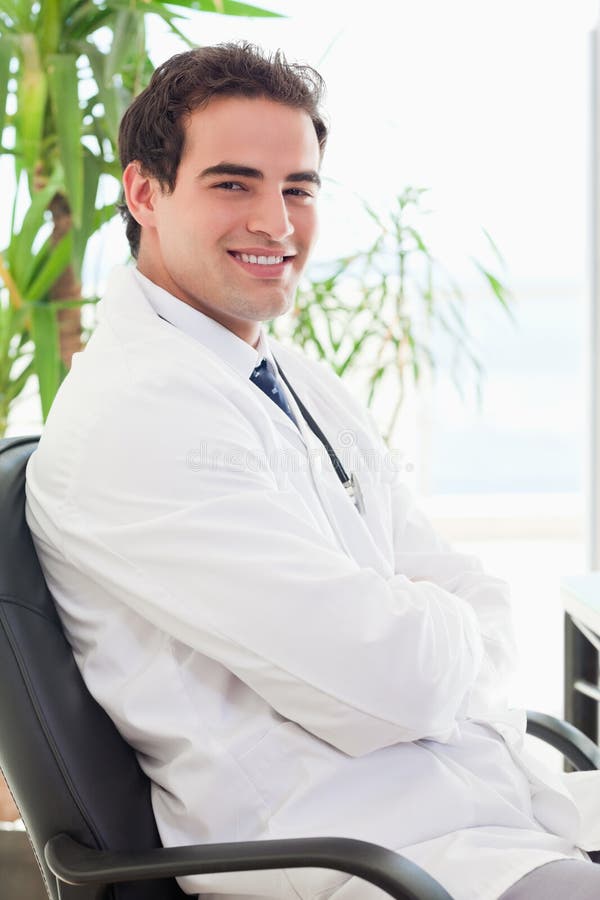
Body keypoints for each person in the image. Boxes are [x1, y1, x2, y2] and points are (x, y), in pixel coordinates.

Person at [23, 41, 600, 900]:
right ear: (145, 193)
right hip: (364, 859)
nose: (276, 222)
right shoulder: (135, 420)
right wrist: (430, 631)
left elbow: (470, 593)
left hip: (470, 813)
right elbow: (396, 680)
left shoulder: (281, 372)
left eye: (298, 188)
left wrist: (425, 629)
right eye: (233, 184)